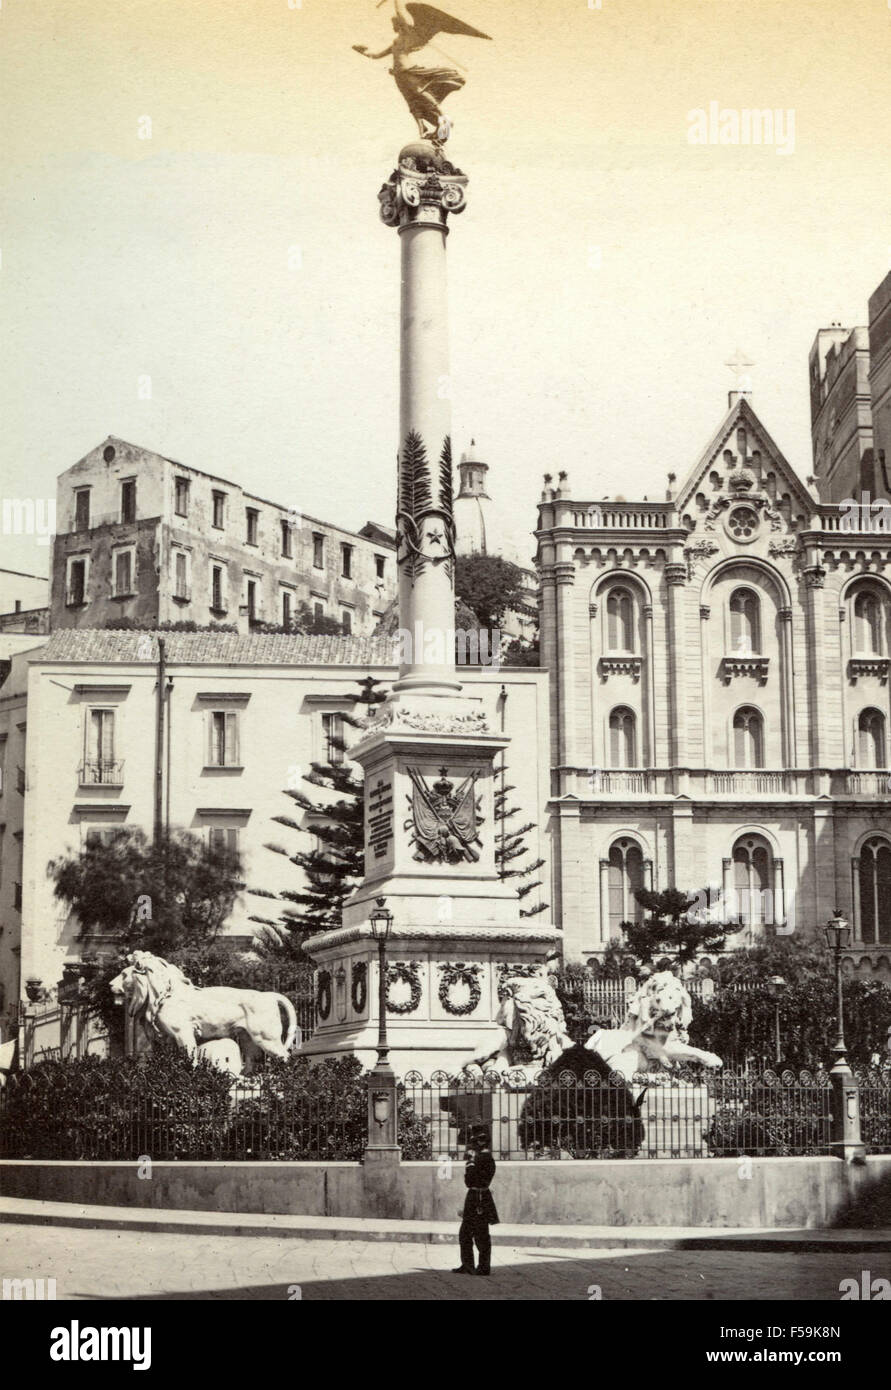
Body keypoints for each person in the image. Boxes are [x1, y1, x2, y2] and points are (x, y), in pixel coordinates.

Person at [452, 1123, 499, 1275]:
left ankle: (481, 1266)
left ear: (482, 1141)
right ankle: (470, 1265)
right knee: (469, 1233)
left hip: (478, 1198)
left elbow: (470, 1181)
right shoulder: (486, 1158)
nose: (474, 1145)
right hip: (477, 1196)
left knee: (478, 1234)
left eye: (477, 1141)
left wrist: (470, 1163)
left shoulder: (483, 1159)